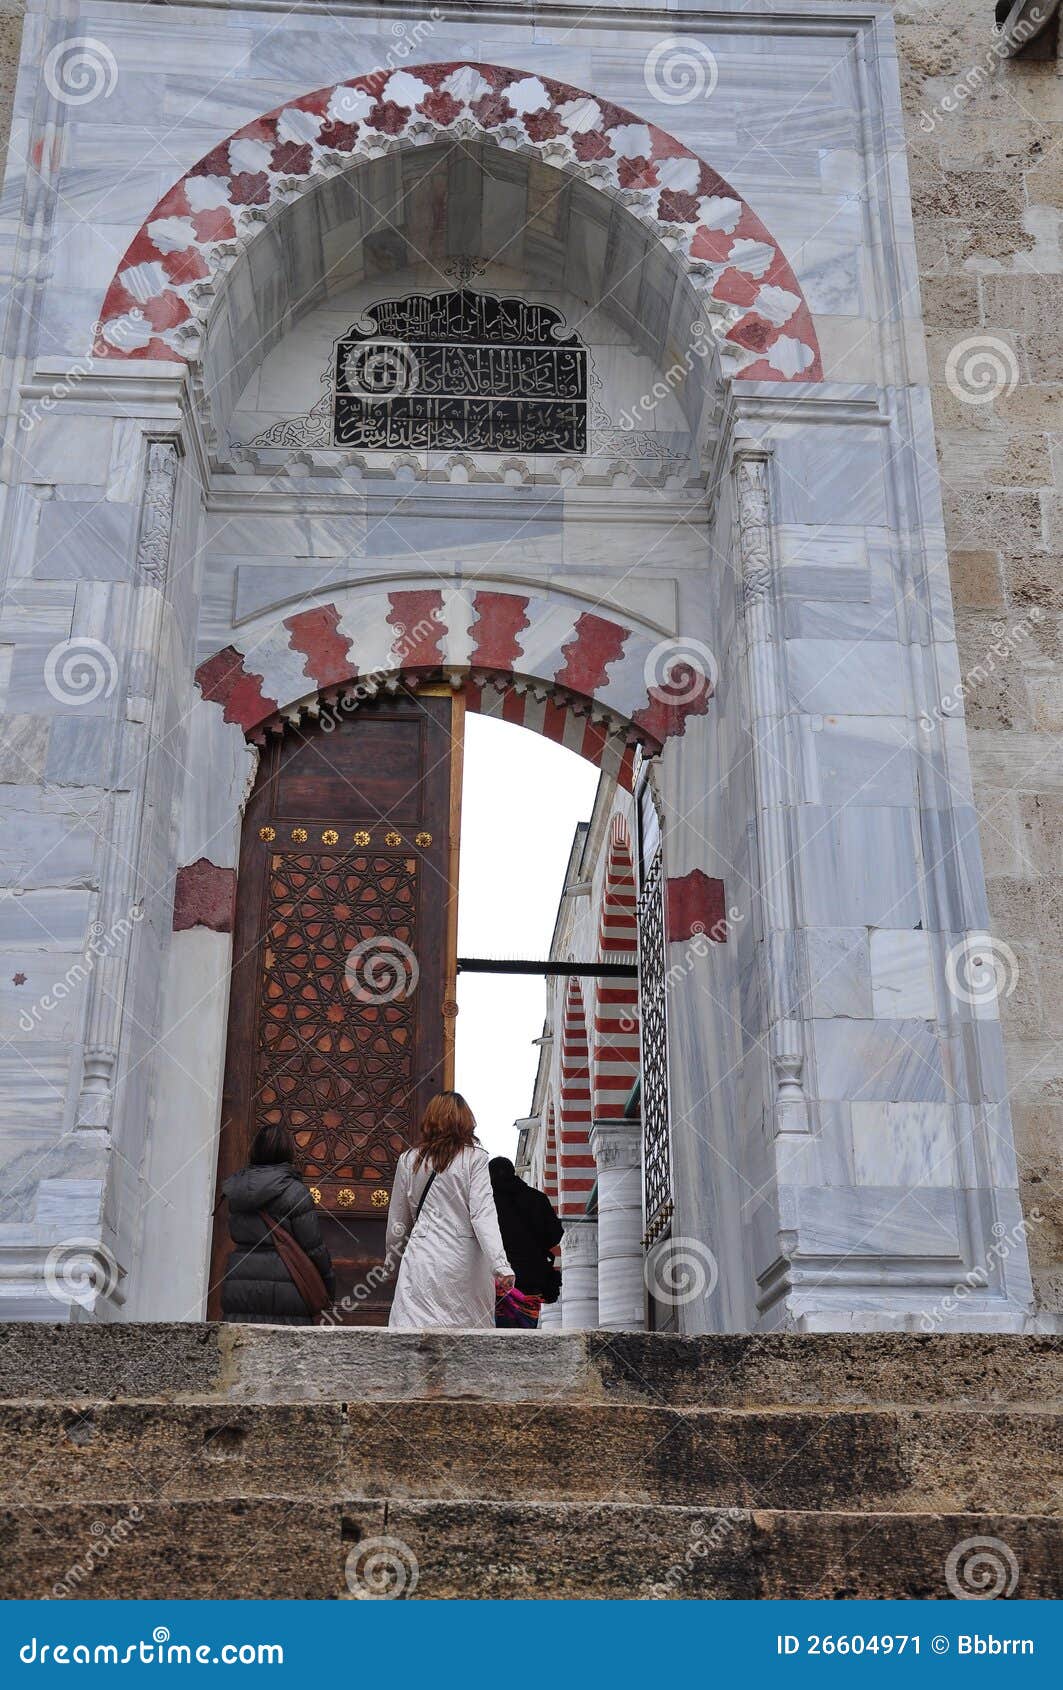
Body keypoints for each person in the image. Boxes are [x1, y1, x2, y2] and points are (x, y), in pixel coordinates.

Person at [386, 1092, 514, 1330]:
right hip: (463, 1264)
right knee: (467, 1341)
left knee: (413, 1336)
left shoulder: (408, 1160)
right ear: (466, 1120)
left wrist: (391, 1262)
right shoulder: (475, 1158)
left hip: (421, 1260)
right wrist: (501, 1265)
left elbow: (398, 1221)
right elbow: (482, 1215)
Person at [220, 1123, 335, 1325]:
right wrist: (327, 1286)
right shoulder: (295, 1192)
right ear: (287, 1151)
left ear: (254, 1150)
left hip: (240, 1283)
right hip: (290, 1288)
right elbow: (313, 1248)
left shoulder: (235, 1190)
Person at [489, 1155, 564, 1329]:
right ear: (513, 1172)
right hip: (532, 1277)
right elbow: (555, 1234)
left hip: (498, 1279)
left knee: (495, 1330)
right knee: (525, 1328)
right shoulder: (537, 1198)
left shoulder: (488, 1202)